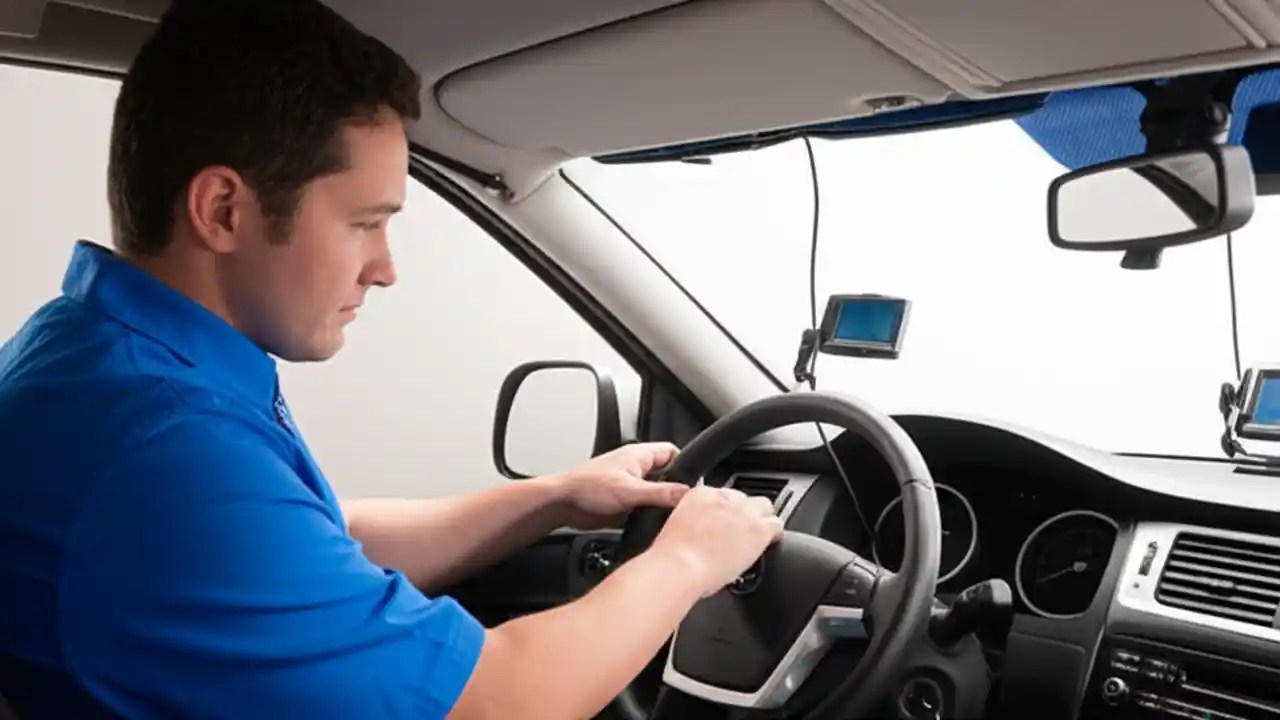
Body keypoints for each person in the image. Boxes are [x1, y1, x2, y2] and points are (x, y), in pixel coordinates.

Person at [0, 1, 783, 718]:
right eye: (366, 223)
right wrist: (690, 559)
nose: (385, 267)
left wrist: (554, 496)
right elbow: (503, 702)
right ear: (223, 210)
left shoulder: (92, 356)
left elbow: (320, 543)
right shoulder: (164, 449)